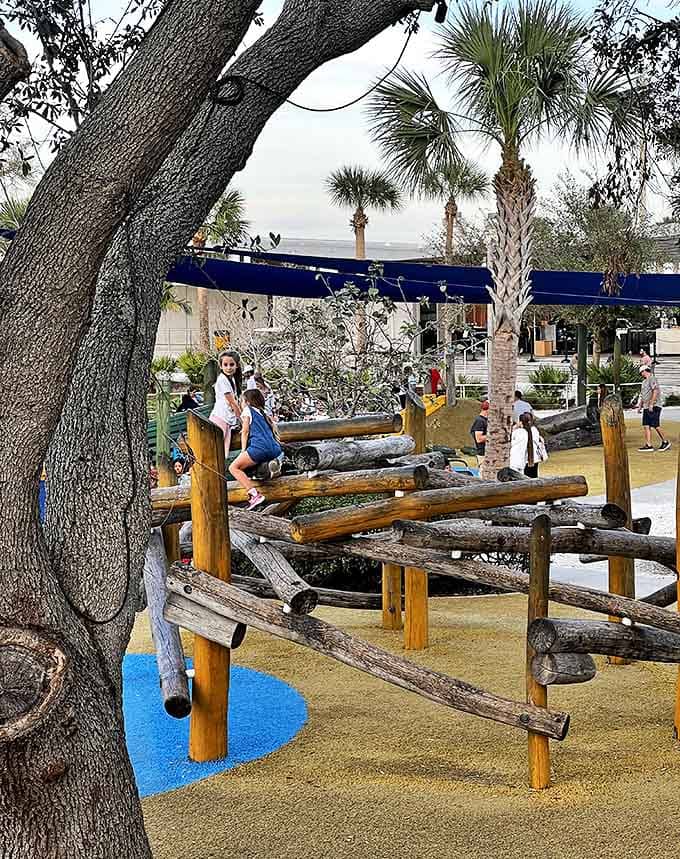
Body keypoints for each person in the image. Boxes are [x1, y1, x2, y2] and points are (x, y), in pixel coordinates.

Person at [228, 389, 284, 510]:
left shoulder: (248, 410)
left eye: (241, 401)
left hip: (259, 447)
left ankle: (254, 495)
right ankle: (269, 469)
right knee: (252, 466)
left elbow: (245, 431)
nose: (241, 403)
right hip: (275, 449)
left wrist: (243, 450)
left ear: (247, 402)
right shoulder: (263, 413)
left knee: (233, 467)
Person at [209, 350, 242, 455]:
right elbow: (232, 403)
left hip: (227, 418)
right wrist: (242, 420)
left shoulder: (231, 379)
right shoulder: (222, 380)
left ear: (237, 365)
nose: (228, 368)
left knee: (224, 451)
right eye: (225, 365)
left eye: (231, 364)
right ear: (221, 366)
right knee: (215, 447)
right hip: (220, 417)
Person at [637, 366, 671, 452]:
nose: (641, 374)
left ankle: (665, 441)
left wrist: (652, 403)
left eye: (641, 372)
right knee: (646, 425)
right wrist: (640, 406)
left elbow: (655, 391)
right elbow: (642, 395)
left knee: (655, 425)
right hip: (646, 407)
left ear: (645, 371)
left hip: (654, 406)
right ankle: (648, 445)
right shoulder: (644, 382)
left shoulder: (652, 378)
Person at [510, 412, 548, 477]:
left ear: (521, 422)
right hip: (534, 458)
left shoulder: (519, 432)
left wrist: (515, 427)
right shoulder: (534, 430)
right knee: (534, 476)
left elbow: (511, 443)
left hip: (524, 460)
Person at [470, 400, 489, 465]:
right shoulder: (480, 421)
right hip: (482, 453)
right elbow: (479, 439)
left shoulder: (485, 420)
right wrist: (494, 436)